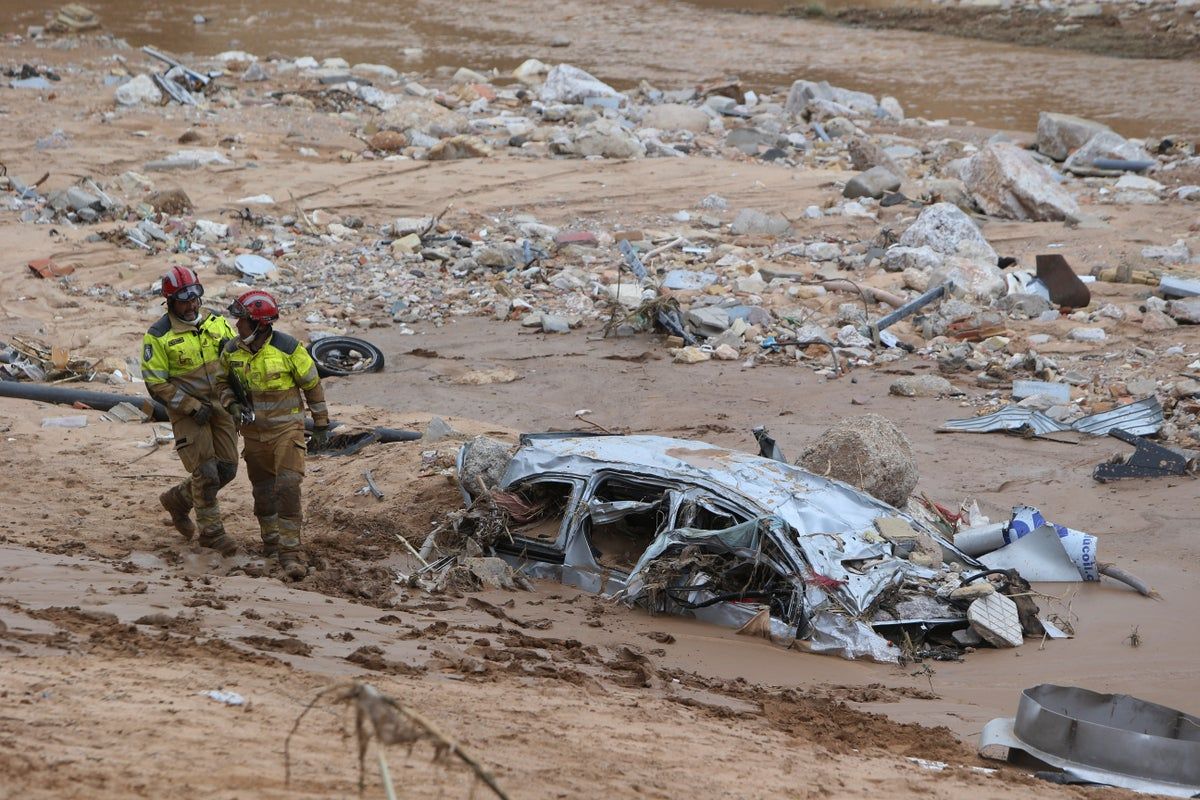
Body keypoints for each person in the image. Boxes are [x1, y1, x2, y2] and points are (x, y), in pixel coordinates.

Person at [217, 290, 329, 580]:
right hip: (254, 435)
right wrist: (231, 404)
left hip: (287, 431)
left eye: (241, 320)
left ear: (259, 324)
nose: (236, 325)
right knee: (263, 492)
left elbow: (312, 386)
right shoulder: (231, 351)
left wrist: (321, 425)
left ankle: (290, 552)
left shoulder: (289, 349)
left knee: (288, 488)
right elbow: (222, 384)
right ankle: (271, 545)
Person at [141, 266, 240, 556]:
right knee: (207, 471)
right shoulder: (158, 336)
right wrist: (190, 405)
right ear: (170, 301)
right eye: (184, 300)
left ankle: (178, 500)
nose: (191, 305)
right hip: (188, 412)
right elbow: (155, 383)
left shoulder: (217, 322)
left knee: (227, 469)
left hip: (222, 406)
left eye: (195, 298)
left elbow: (235, 360)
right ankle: (212, 533)